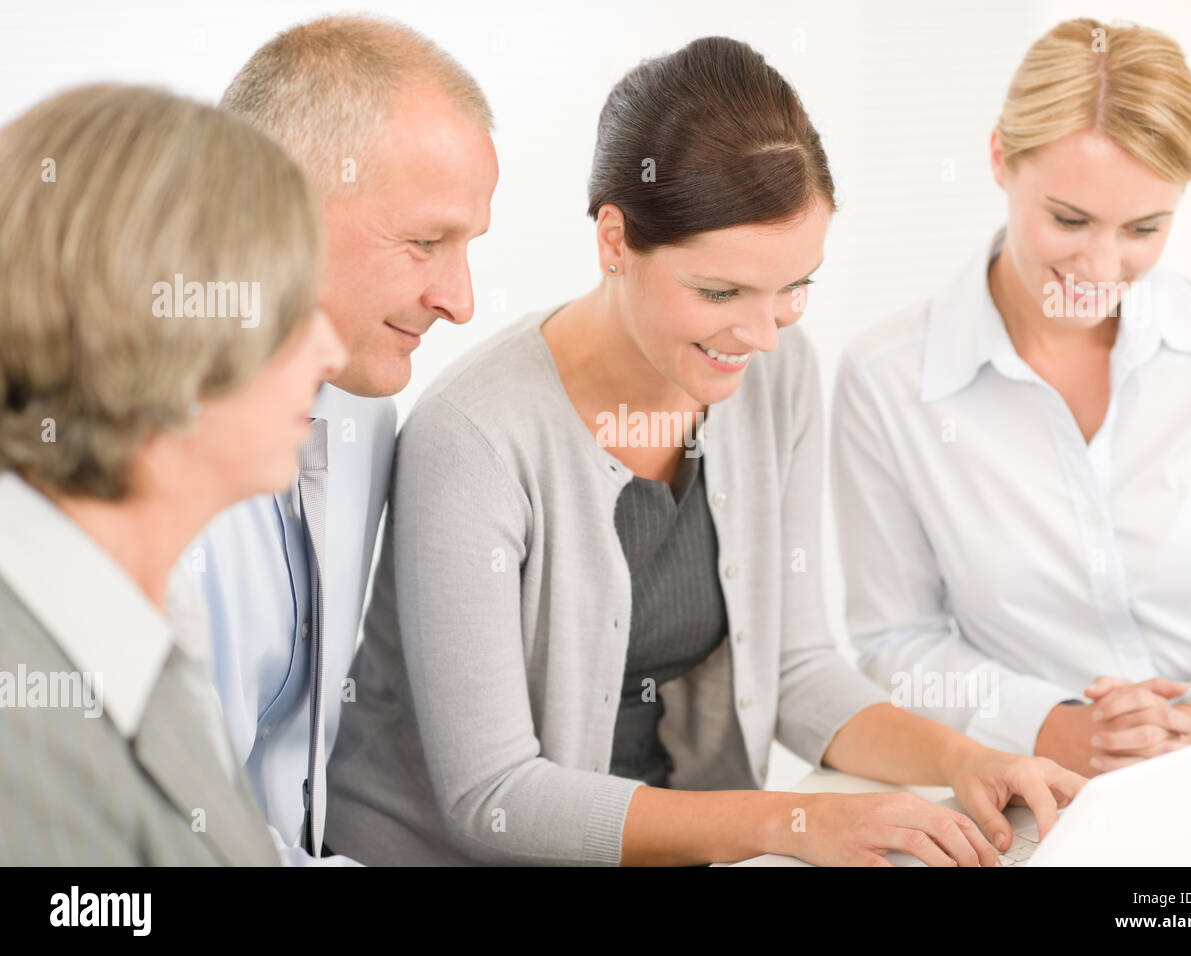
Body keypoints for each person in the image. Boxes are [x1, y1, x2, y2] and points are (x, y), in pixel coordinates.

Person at [326, 36, 1085, 867]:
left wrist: (968, 760)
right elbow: (494, 797)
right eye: (719, 292)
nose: (759, 334)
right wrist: (789, 823)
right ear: (614, 240)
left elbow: (796, 668)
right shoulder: (473, 437)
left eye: (795, 287)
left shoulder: (774, 373)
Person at [831, 18, 1191, 779]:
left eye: (1144, 228)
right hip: (1035, 786)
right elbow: (896, 642)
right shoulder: (888, 379)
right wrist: (1054, 728)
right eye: (1069, 219)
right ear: (999, 159)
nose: (1102, 265)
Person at [179, 15, 498, 864]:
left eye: (466, 247)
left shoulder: (362, 418)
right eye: (426, 243)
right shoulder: (124, 443)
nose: (461, 302)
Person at [0, 83, 345, 864]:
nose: (332, 352)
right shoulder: (20, 735)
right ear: (166, 332)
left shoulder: (141, 620)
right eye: (293, 309)